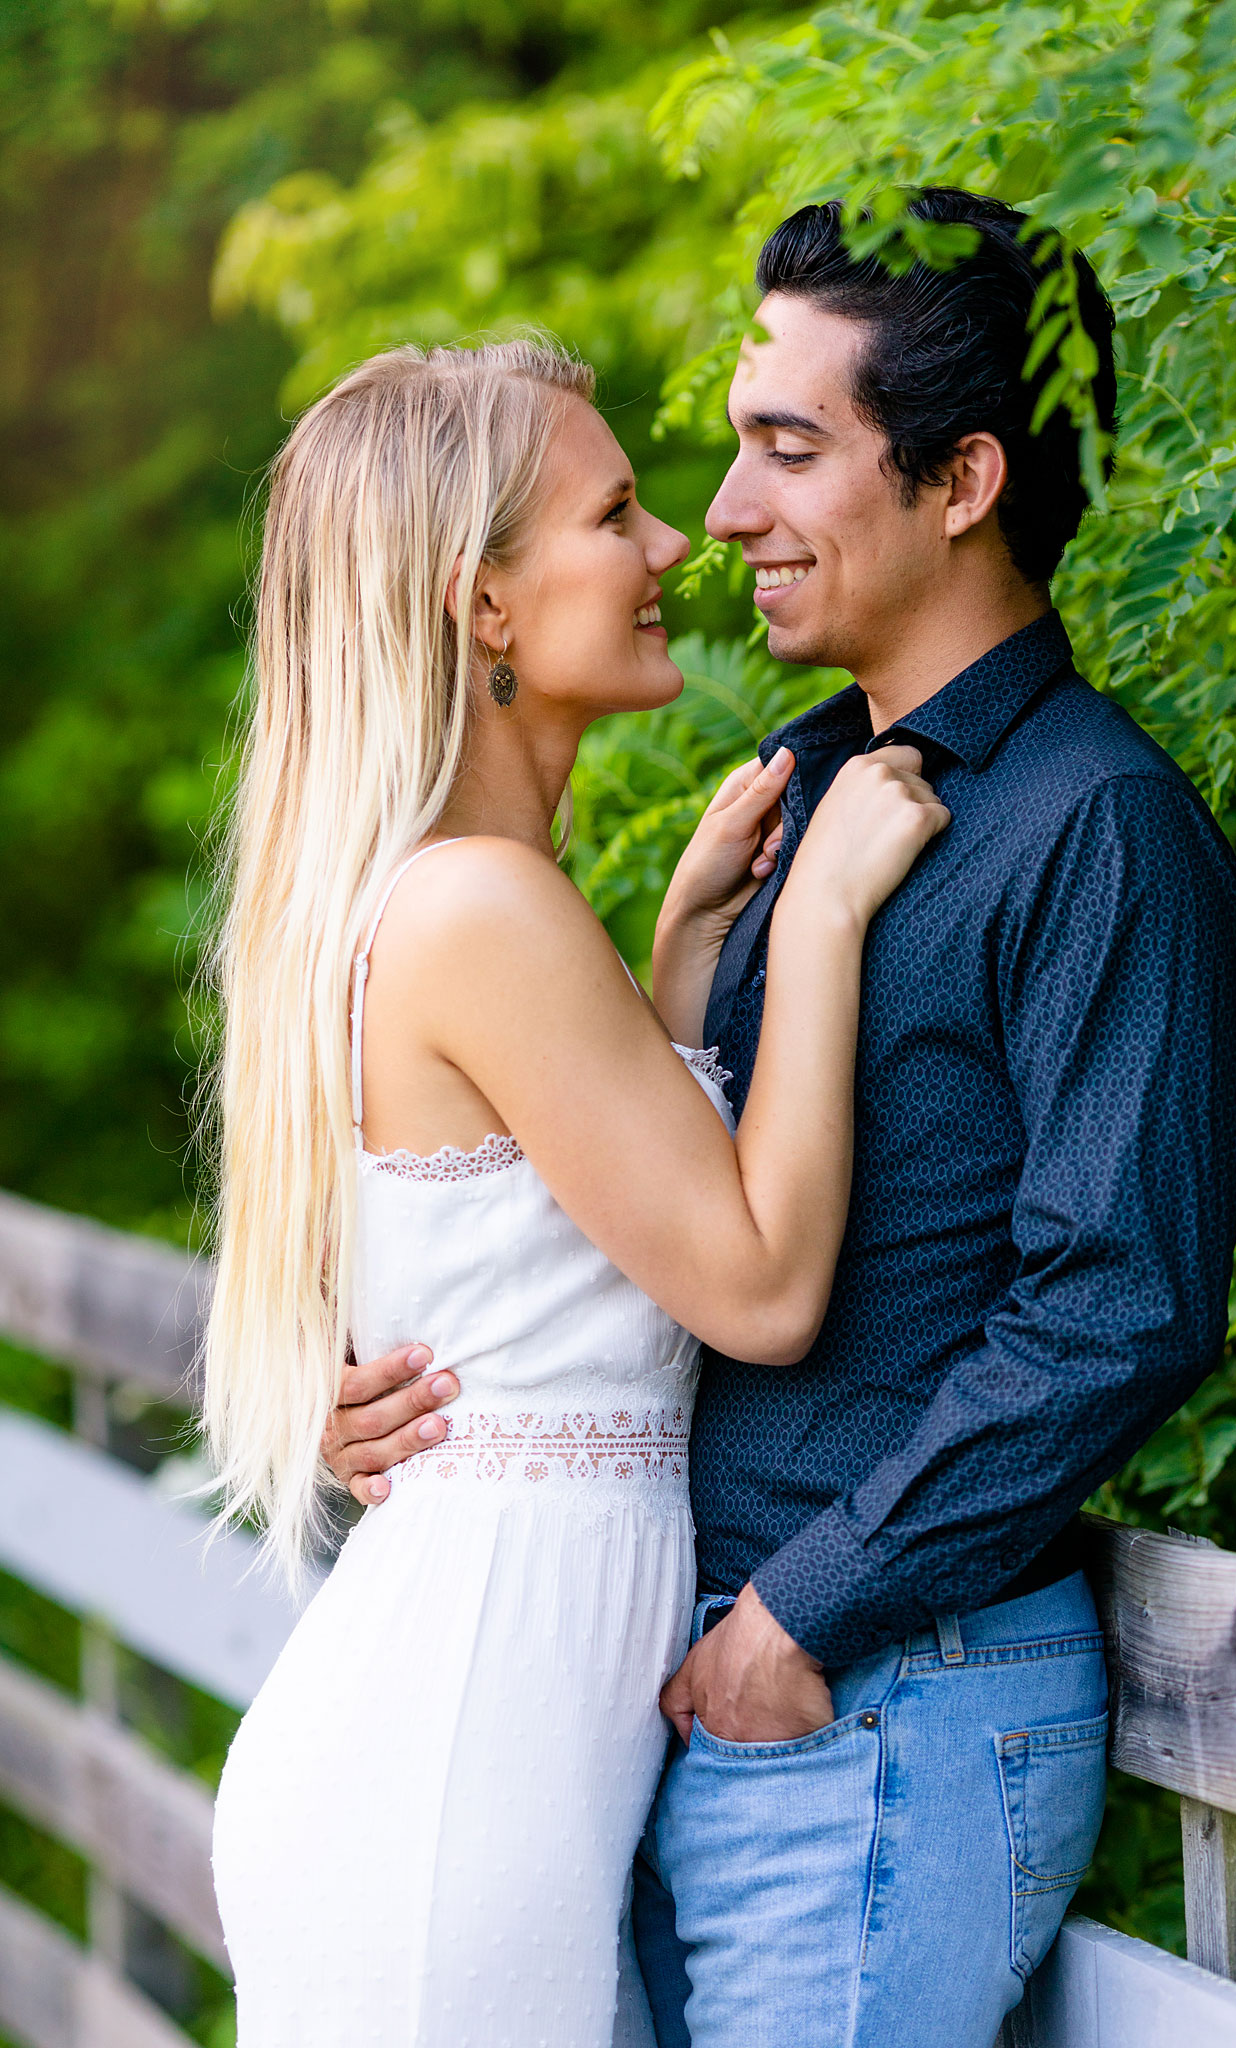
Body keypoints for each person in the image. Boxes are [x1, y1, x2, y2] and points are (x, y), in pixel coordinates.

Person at [328, 192, 1236, 2048]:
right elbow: (668, 1225)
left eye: (786, 450)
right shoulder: (798, 806)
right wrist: (406, 1400)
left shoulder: (1097, 829)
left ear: (963, 479)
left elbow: (1116, 1306)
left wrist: (804, 1614)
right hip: (689, 1704)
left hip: (869, 1699)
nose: (726, 513)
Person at [206, 334, 947, 2048]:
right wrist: (824, 914)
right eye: (615, 512)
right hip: (451, 1786)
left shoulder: (455, 900)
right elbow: (753, 1286)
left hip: (469, 1763)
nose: (678, 544)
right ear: (482, 607)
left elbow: (577, 1255)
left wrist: (683, 953)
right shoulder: (480, 908)